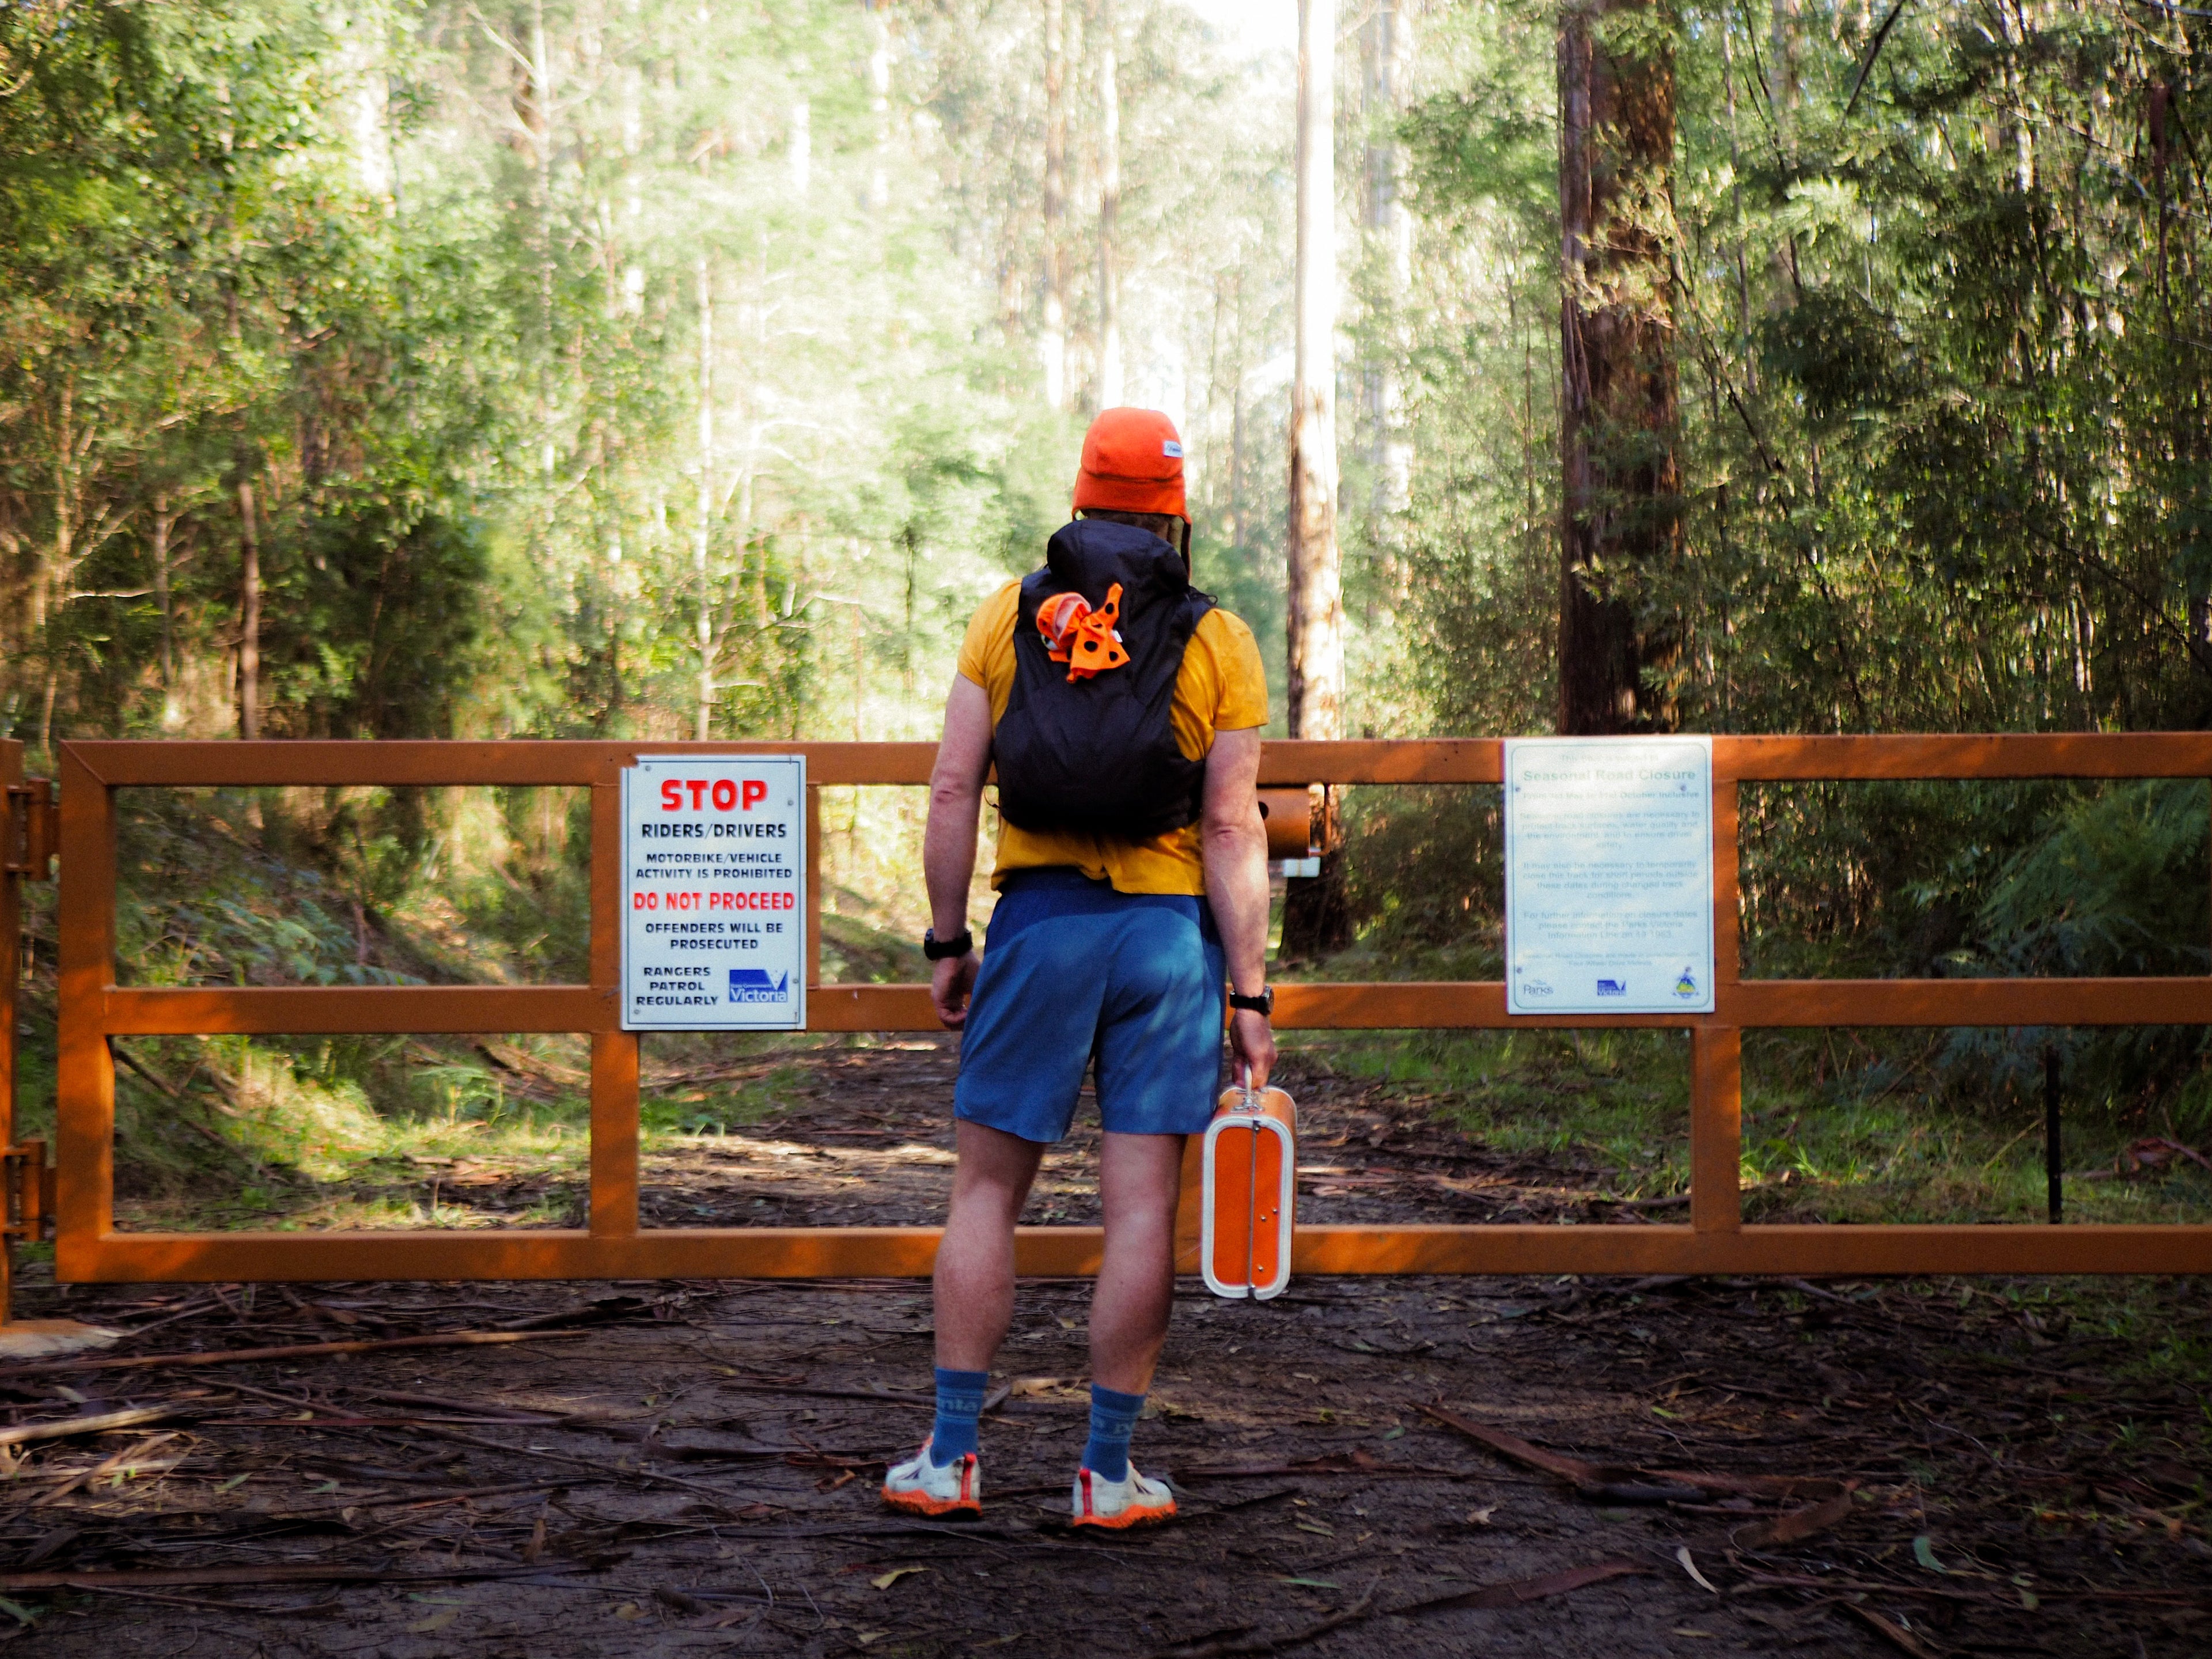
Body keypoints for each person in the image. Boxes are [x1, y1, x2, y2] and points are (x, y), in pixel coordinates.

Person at [882, 406, 1277, 1530]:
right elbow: (1234, 829)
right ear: (1176, 508)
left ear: (1080, 492)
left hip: (1042, 927)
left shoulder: (1004, 617)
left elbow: (955, 788)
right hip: (1165, 944)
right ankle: (1107, 1474)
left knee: (985, 1196)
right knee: (1141, 1212)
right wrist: (1248, 993)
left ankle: (951, 1458)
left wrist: (949, 940)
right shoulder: (1216, 639)